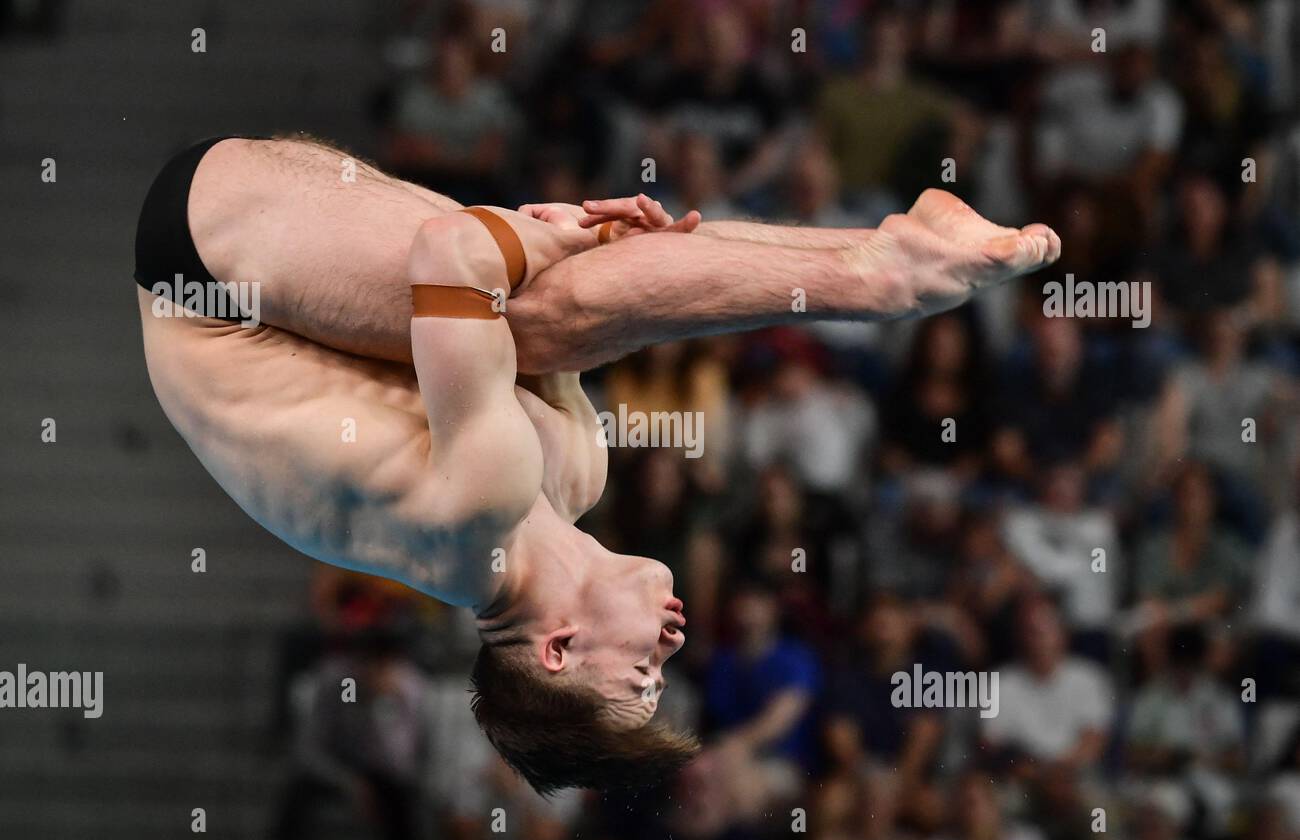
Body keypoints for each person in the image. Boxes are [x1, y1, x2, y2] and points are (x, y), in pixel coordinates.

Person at [134, 133, 1060, 794]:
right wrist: (619, 243)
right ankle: (898, 253)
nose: (672, 648)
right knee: (545, 316)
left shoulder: (472, 518)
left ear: (559, 649)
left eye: (640, 679)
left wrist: (570, 236)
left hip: (208, 270)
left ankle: (893, 276)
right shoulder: (572, 476)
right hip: (297, 287)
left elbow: (455, 257)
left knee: (532, 314)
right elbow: (602, 299)